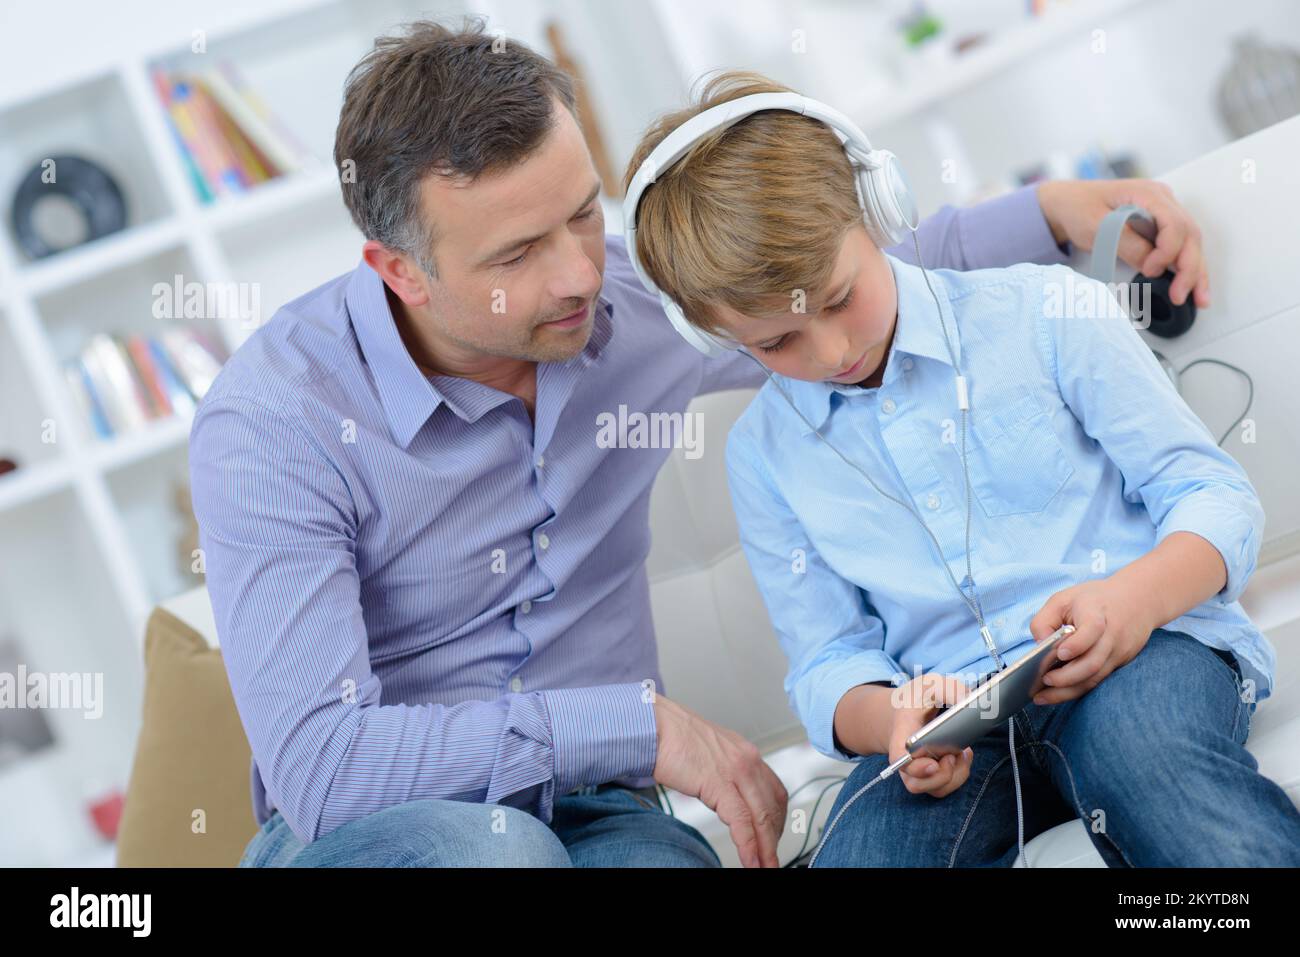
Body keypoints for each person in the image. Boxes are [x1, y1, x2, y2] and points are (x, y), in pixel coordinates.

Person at [191, 18, 1218, 868]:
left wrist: (1053, 210)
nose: (580, 278)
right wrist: (640, 729)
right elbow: (322, 766)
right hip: (389, 836)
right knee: (504, 856)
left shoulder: (636, 308)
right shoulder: (274, 423)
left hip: (607, 814)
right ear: (398, 270)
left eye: (582, 215)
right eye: (516, 252)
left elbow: (844, 275)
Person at [623, 69, 1300, 866]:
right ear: (714, 336)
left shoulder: (1043, 313)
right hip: (953, 732)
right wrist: (892, 725)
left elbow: (1212, 496)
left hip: (1143, 656)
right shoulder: (763, 456)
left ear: (877, 212)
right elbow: (828, 659)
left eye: (841, 298)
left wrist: (1135, 599)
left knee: (1162, 780)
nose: (831, 352)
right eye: (775, 344)